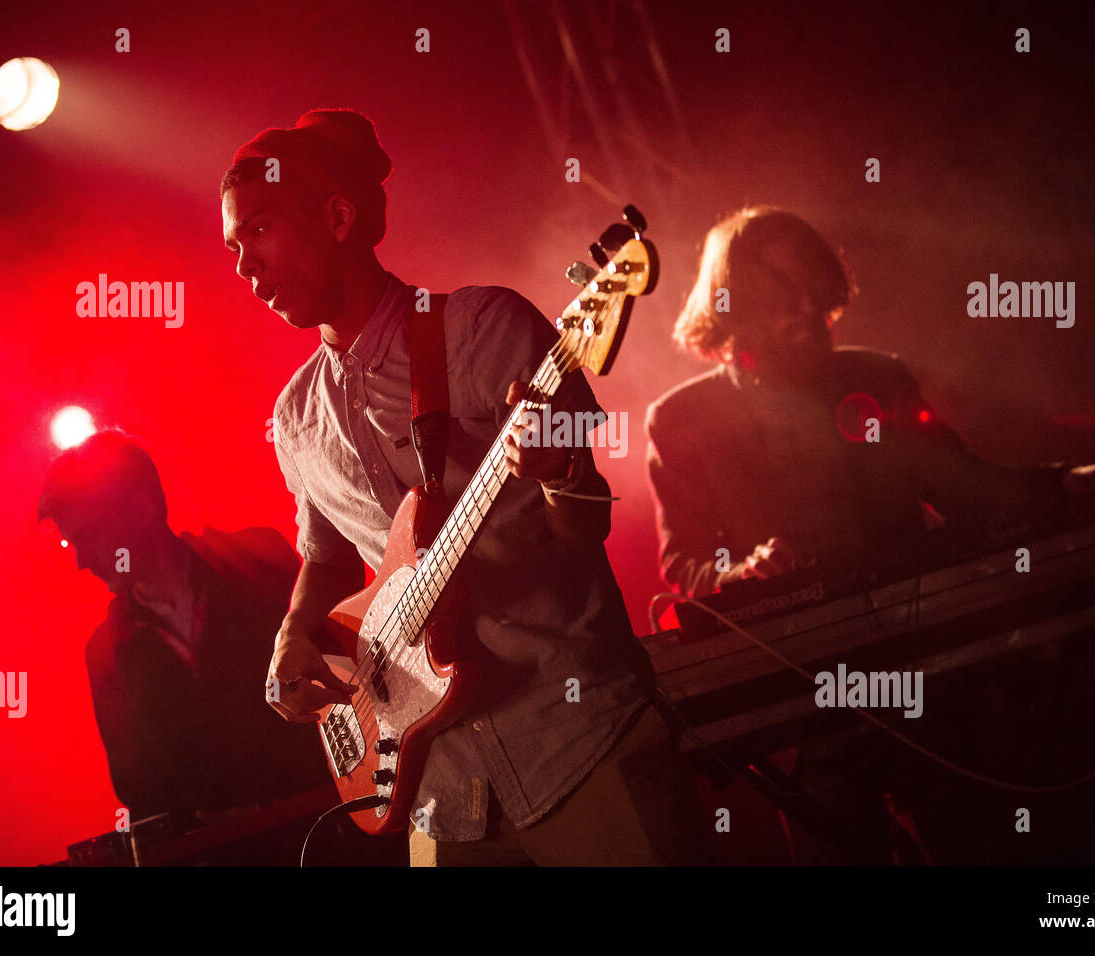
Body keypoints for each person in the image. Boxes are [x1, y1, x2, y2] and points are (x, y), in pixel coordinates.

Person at [219, 108, 709, 865]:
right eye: (232, 247)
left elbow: (586, 531)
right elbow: (326, 558)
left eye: (257, 231)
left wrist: (560, 472)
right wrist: (291, 636)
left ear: (338, 215)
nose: (244, 267)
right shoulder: (293, 417)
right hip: (437, 793)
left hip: (575, 740)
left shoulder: (481, 328)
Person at [646, 205, 1090, 598]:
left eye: (812, 288)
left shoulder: (877, 377)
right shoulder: (682, 419)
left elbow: (965, 487)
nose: (805, 307)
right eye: (782, 293)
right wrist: (741, 575)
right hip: (791, 651)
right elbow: (685, 563)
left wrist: (1064, 485)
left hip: (916, 618)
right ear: (736, 304)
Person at [38, 430, 333, 821]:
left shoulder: (262, 560)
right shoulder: (103, 656)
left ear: (143, 511)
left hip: (335, 830)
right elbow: (142, 794)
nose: (80, 561)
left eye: (89, 536)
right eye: (69, 544)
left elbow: (341, 675)